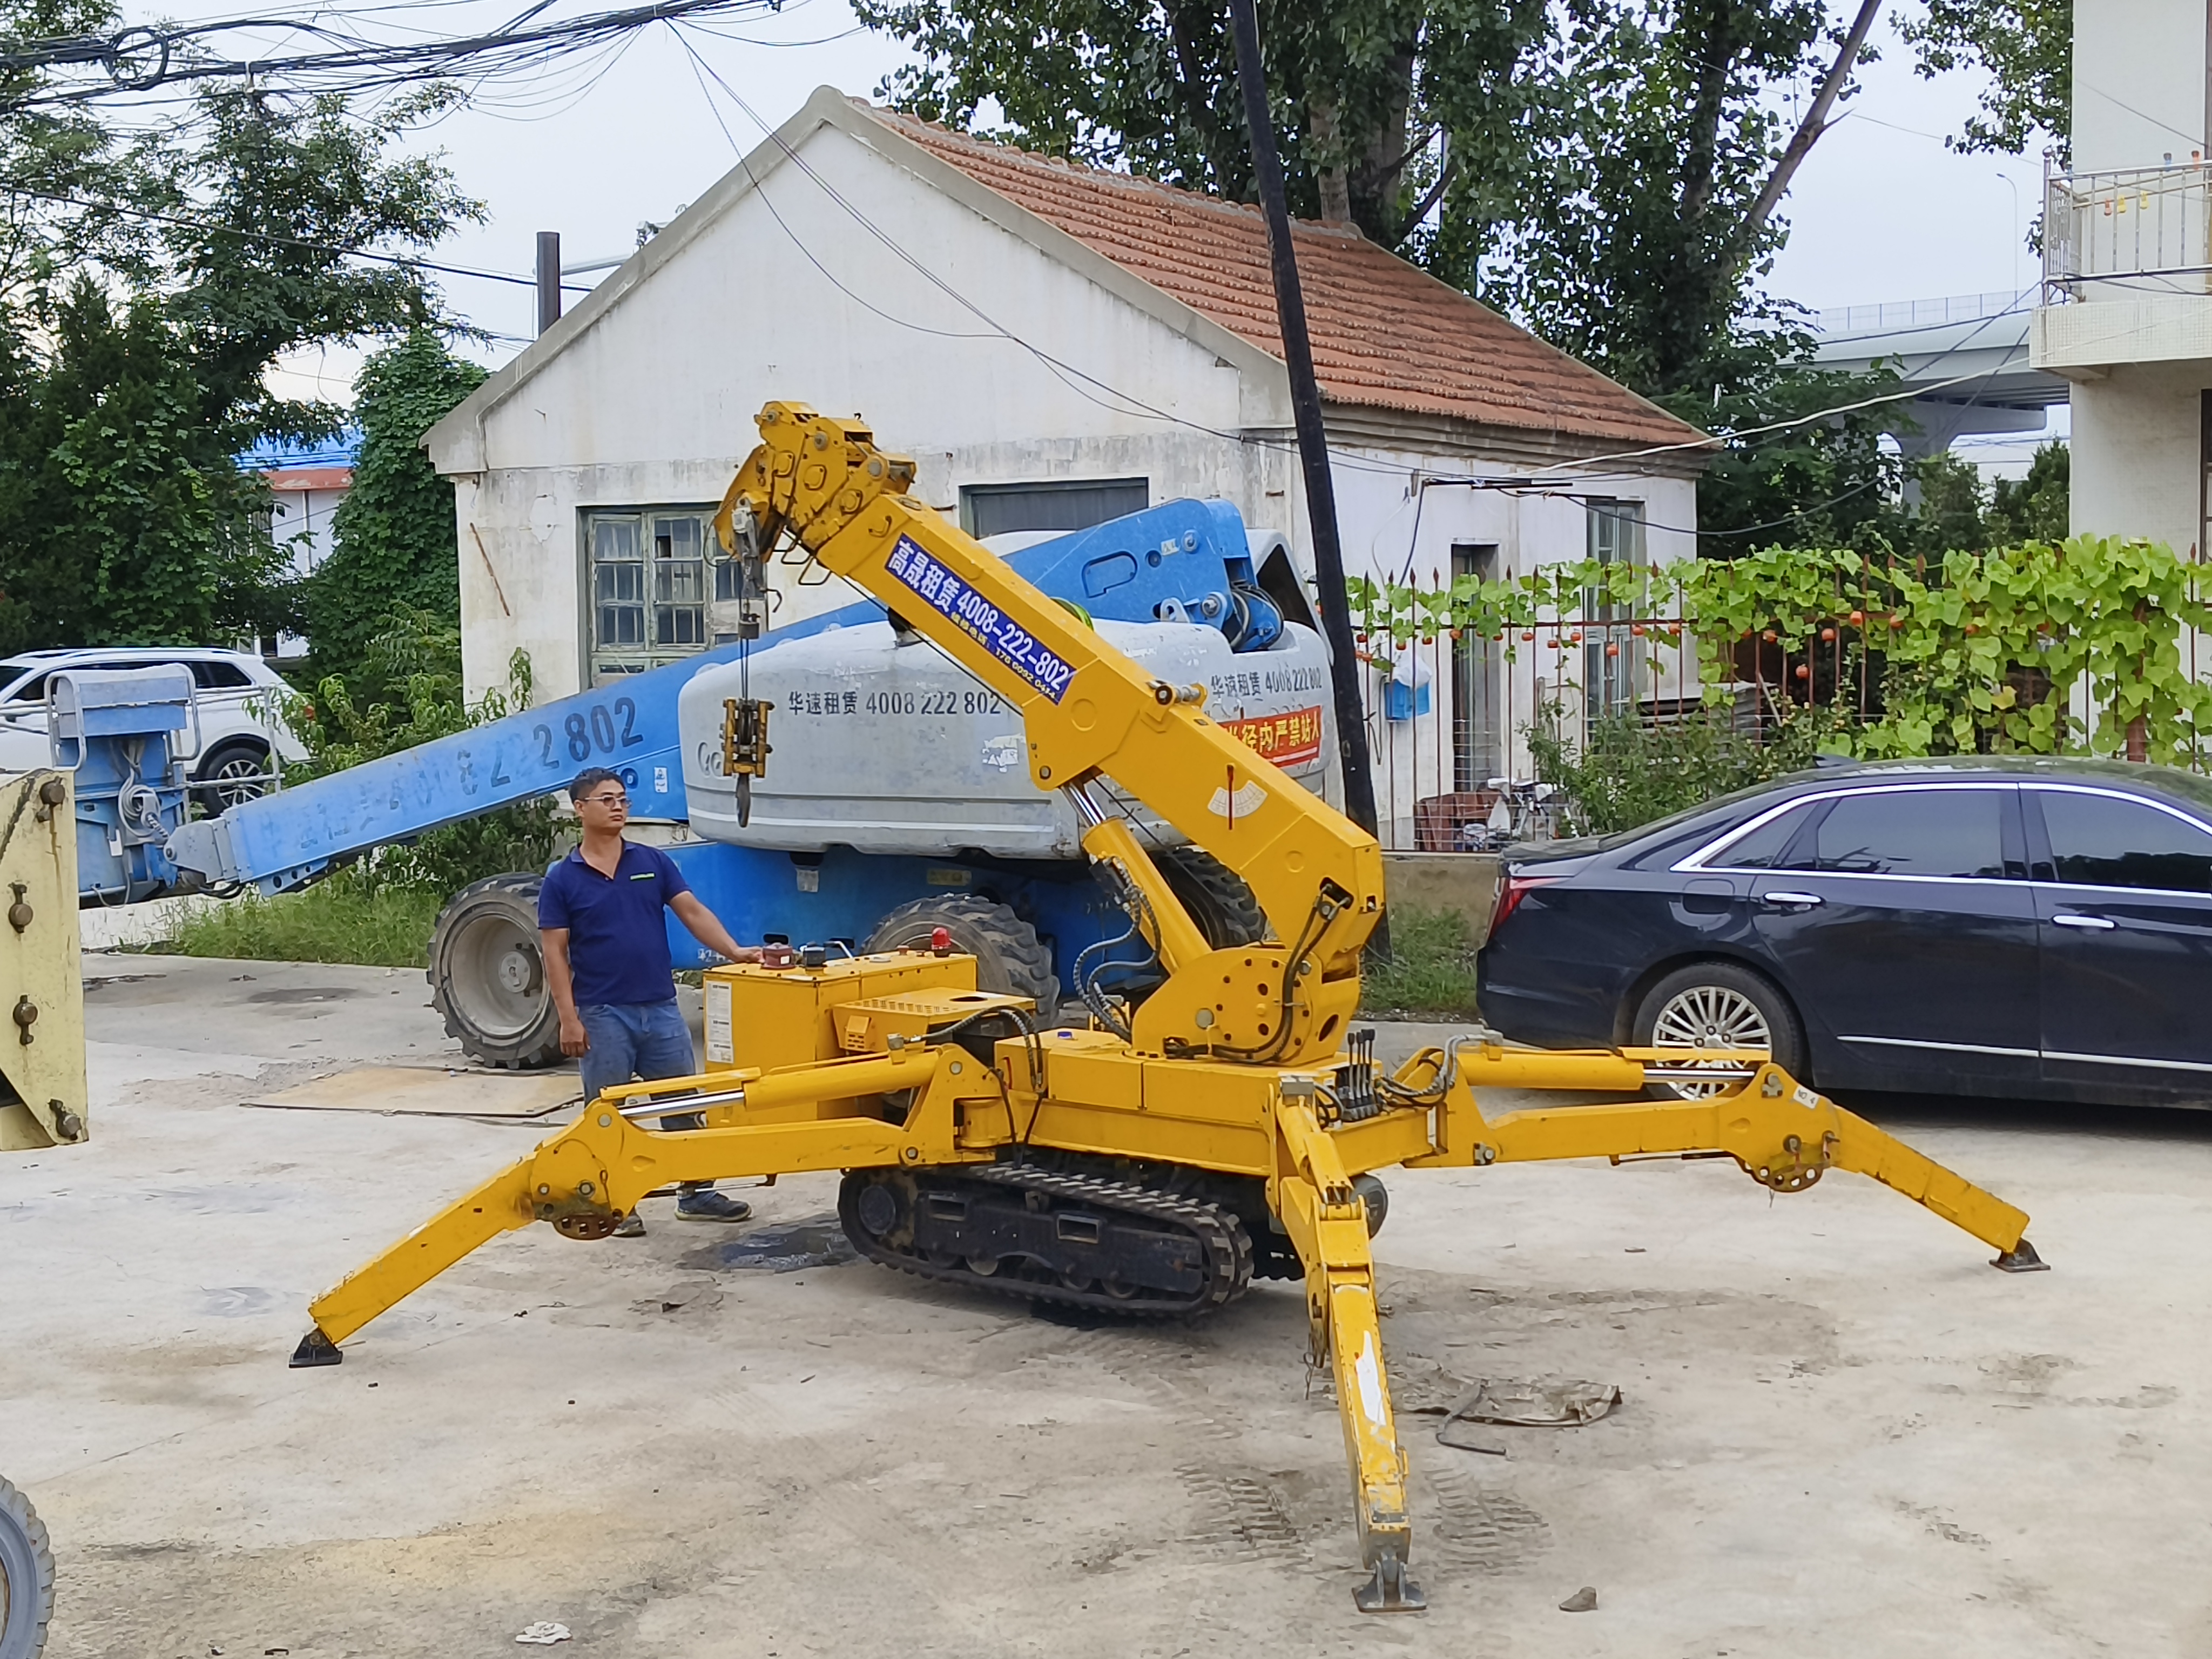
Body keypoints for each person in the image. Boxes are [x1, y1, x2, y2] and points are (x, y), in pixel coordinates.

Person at [539, 765, 761, 1236]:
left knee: (683, 1104)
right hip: (602, 1014)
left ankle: (697, 1193)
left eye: (623, 798)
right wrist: (568, 1018)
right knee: (607, 1116)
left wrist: (735, 951)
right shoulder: (562, 879)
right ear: (580, 809)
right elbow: (554, 952)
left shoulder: (652, 862)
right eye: (607, 799)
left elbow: (693, 912)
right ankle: (614, 1202)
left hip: (660, 1008)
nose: (618, 806)